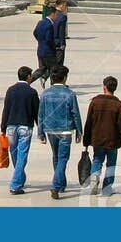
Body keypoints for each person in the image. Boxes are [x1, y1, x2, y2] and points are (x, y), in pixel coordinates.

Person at [36, 65, 83, 199]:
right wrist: (79, 131)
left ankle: (61, 185)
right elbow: (76, 114)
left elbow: (41, 114)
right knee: (63, 158)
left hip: (50, 130)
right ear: (65, 78)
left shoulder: (45, 94)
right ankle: (56, 186)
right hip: (65, 131)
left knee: (56, 156)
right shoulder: (69, 94)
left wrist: (40, 133)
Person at [82, 74, 121, 195]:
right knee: (111, 164)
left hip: (97, 138)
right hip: (113, 140)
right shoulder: (119, 105)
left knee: (97, 160)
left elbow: (89, 122)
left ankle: (94, 177)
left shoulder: (95, 102)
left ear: (104, 87)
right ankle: (107, 188)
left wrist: (86, 140)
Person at [0, 65, 40, 195]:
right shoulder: (32, 92)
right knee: (22, 155)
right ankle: (15, 185)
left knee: (15, 154)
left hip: (11, 127)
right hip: (25, 127)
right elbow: (37, 112)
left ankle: (20, 178)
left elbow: (6, 110)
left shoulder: (10, 90)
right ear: (28, 77)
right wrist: (41, 129)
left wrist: (3, 127)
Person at [30, 8, 61, 87]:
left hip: (40, 50)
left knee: (42, 69)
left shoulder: (41, 22)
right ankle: (54, 86)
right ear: (52, 14)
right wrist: (54, 46)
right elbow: (48, 39)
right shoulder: (49, 25)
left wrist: (40, 41)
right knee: (54, 70)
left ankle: (28, 81)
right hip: (48, 52)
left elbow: (35, 32)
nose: (56, 17)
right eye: (56, 15)